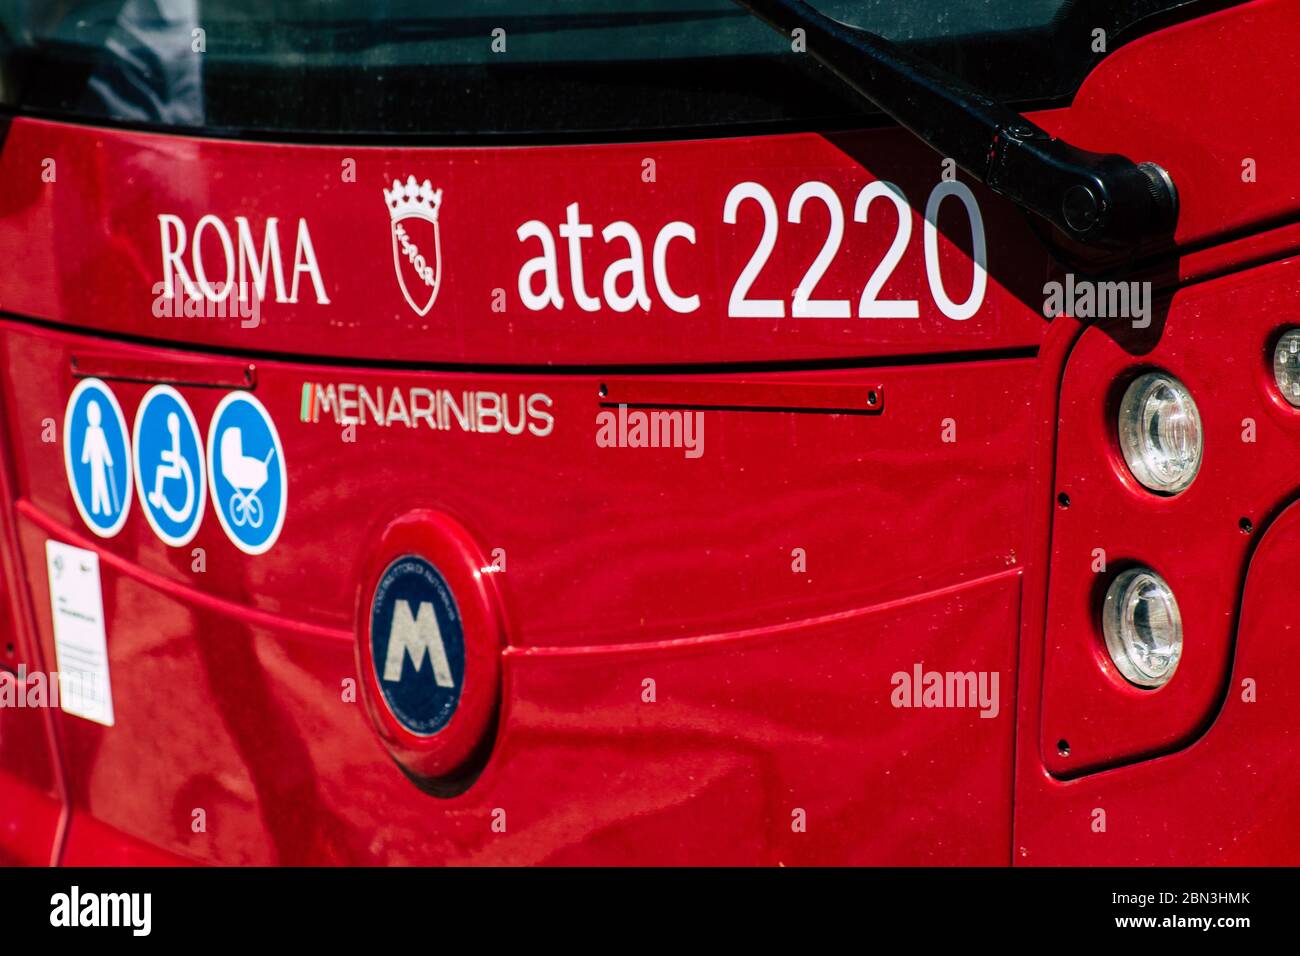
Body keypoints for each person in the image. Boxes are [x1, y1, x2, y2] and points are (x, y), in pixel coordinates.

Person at [81, 399, 116, 517]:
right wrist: (85, 458)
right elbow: (86, 447)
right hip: (95, 464)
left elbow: (105, 448)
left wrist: (109, 460)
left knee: (100, 485)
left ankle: (104, 508)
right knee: (97, 486)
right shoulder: (90, 432)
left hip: (99, 464)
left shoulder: (99, 432)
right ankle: (99, 508)